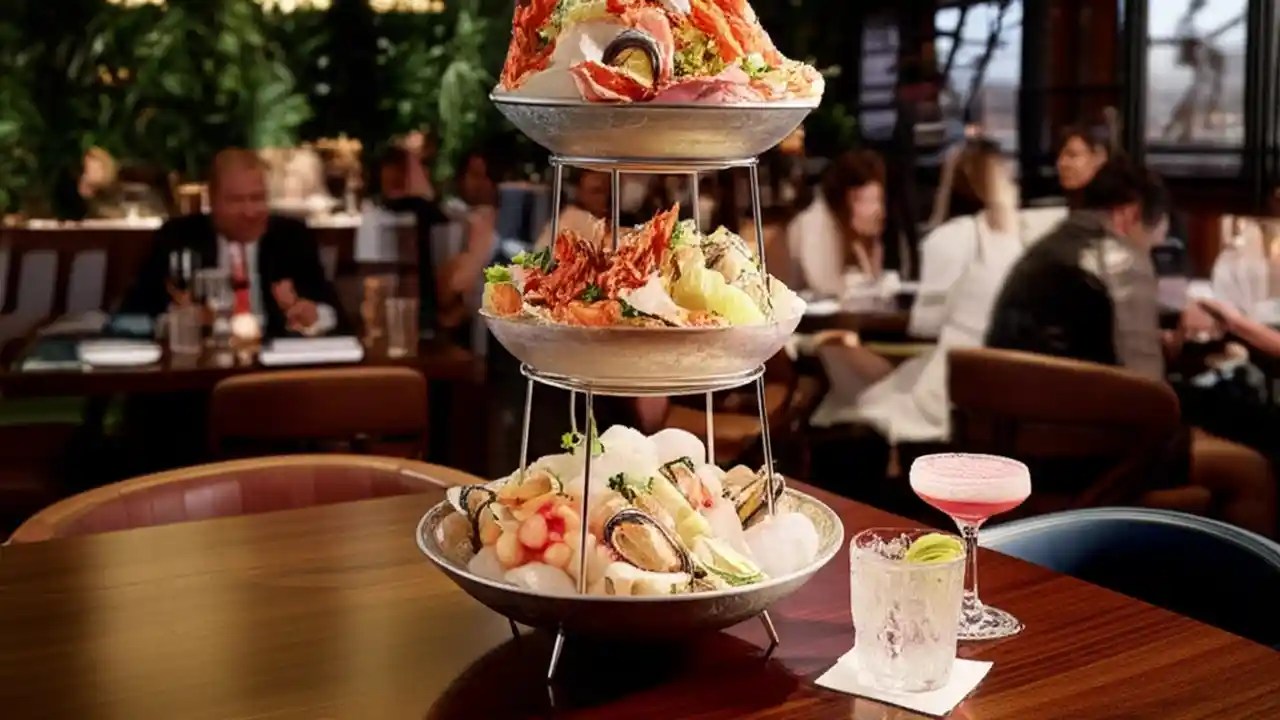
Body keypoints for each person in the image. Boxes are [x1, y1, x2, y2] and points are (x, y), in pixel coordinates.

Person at [846, 139, 1066, 441]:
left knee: (871, 397)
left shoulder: (951, 237)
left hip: (960, 384)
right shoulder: (1019, 241)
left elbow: (926, 325)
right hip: (1016, 383)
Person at [121, 148, 343, 337]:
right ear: (213, 199)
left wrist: (315, 315)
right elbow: (132, 317)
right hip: (198, 371)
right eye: (236, 200)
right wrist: (178, 321)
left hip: (273, 369)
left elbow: (333, 311)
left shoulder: (291, 237)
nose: (249, 212)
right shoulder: (177, 237)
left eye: (257, 198)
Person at [787, 150, 886, 296]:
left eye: (879, 200)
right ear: (845, 200)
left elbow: (873, 279)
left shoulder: (860, 232)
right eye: (868, 200)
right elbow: (825, 287)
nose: (878, 210)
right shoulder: (814, 225)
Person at [534, 170, 610, 250]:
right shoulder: (576, 219)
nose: (603, 197)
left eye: (605, 191)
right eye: (596, 191)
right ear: (580, 193)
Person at [1056, 124, 1112, 206]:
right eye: (1059, 156)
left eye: (1072, 155)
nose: (1061, 163)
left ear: (1099, 157)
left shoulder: (1115, 209)